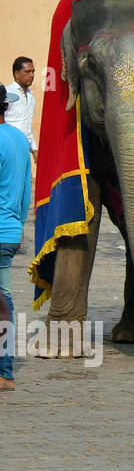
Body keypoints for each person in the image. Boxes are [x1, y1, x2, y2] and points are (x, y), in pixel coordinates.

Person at [0, 86, 33, 392]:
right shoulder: (20, 140)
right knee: (4, 299)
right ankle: (5, 372)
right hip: (10, 231)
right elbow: (25, 191)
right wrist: (19, 225)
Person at [6, 56, 36, 157]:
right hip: (8, 146)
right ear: (16, 74)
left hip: (24, 149)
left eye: (33, 72)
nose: (31, 75)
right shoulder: (7, 93)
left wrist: (34, 149)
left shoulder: (31, 97)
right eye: (27, 72)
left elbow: (27, 125)